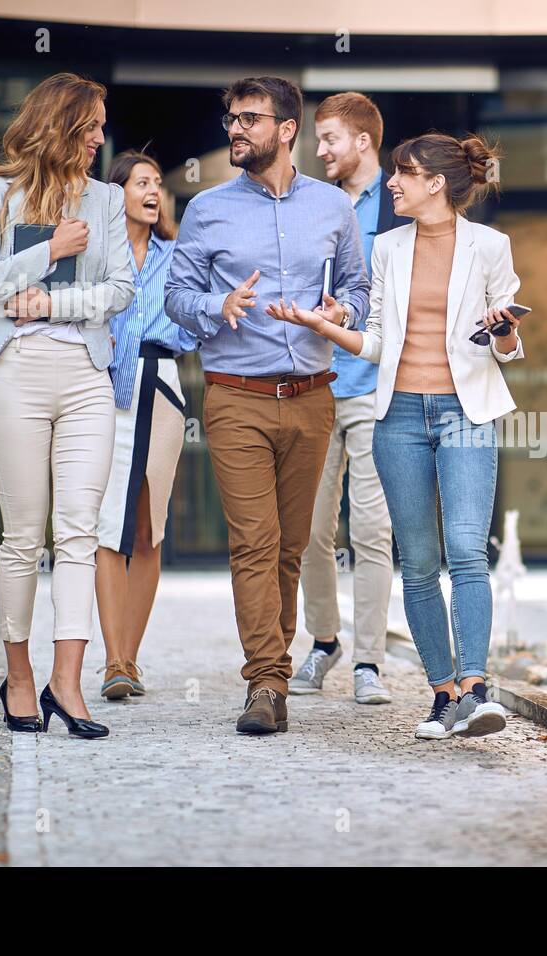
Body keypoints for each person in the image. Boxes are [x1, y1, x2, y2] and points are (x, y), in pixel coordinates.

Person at [271, 132, 524, 740]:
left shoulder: (491, 246)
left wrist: (502, 331)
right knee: (417, 561)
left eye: (403, 174)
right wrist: (321, 325)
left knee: (465, 550)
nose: (392, 184)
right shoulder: (387, 247)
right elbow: (379, 340)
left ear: (435, 183)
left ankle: (476, 688)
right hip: (400, 417)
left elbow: (511, 348)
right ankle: (441, 696)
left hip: (466, 412)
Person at [165, 76, 370, 735]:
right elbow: (176, 296)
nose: (236, 129)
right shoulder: (207, 210)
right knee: (254, 543)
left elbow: (359, 290)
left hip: (313, 401)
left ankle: (272, 670)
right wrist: (213, 307)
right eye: (231, 118)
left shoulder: (333, 210)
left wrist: (342, 313)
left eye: (250, 119)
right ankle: (266, 683)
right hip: (236, 399)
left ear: (287, 131)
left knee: (290, 548)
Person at [0, 72, 133, 739]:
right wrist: (48, 254)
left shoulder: (108, 199)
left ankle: (68, 681)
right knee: (23, 537)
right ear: (59, 125)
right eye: (89, 127)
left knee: (79, 532)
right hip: (16, 372)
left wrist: (53, 301)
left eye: (100, 126)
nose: (98, 138)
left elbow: (120, 289)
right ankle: (21, 677)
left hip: (85, 374)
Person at [290, 93, 409, 705]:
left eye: (331, 137)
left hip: (375, 390)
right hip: (315, 386)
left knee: (372, 529)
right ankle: (323, 640)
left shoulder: (401, 204)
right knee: (309, 530)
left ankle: (369, 662)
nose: (320, 149)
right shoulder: (316, 206)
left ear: (364, 141)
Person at [94, 149, 199, 700]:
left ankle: (130, 660)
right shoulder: (96, 255)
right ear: (118, 195)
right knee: (108, 522)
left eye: (159, 182)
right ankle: (111, 660)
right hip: (104, 388)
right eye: (142, 182)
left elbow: (194, 324)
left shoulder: (177, 256)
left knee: (146, 527)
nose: (154, 190)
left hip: (159, 385)